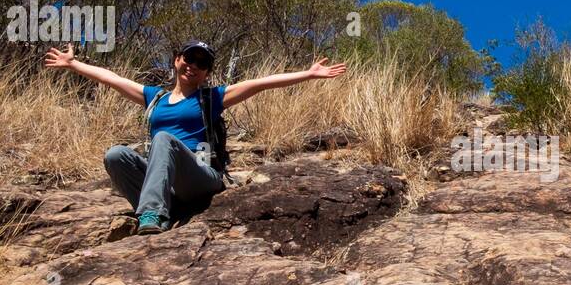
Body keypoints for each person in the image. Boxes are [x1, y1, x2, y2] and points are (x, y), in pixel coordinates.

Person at [42, 40, 347, 234]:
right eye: (190, 59)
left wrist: (307, 74)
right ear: (177, 60)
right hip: (168, 182)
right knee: (115, 155)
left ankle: (151, 215)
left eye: (203, 64)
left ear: (207, 72)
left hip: (201, 176)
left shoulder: (211, 97)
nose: (194, 66)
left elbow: (260, 83)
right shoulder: (155, 97)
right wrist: (73, 64)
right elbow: (112, 79)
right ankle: (160, 205)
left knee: (162, 140)